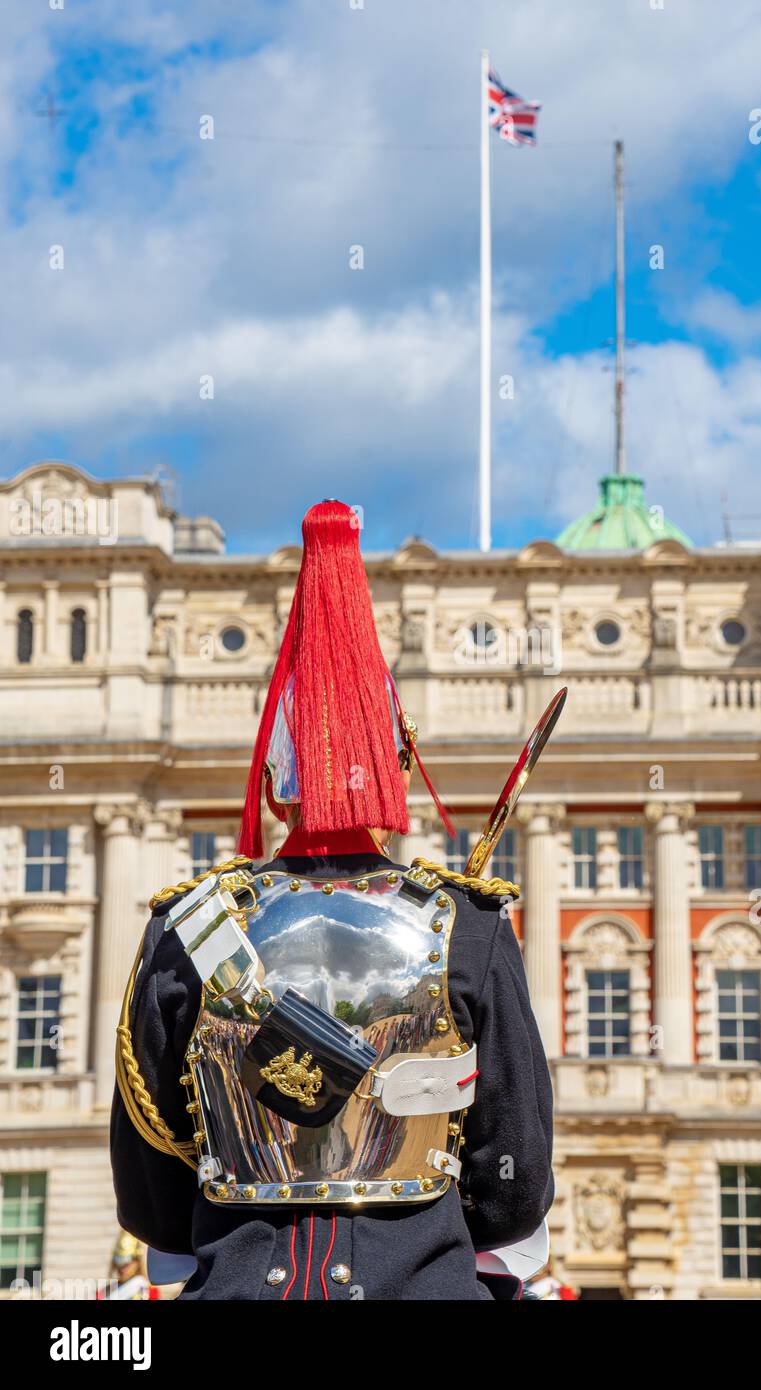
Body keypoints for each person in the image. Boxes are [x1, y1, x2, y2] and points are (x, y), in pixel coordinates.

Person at [110, 500, 555, 1300]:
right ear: (398, 767)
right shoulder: (469, 924)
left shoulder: (187, 926)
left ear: (276, 780)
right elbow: (513, 1179)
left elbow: (151, 1191)